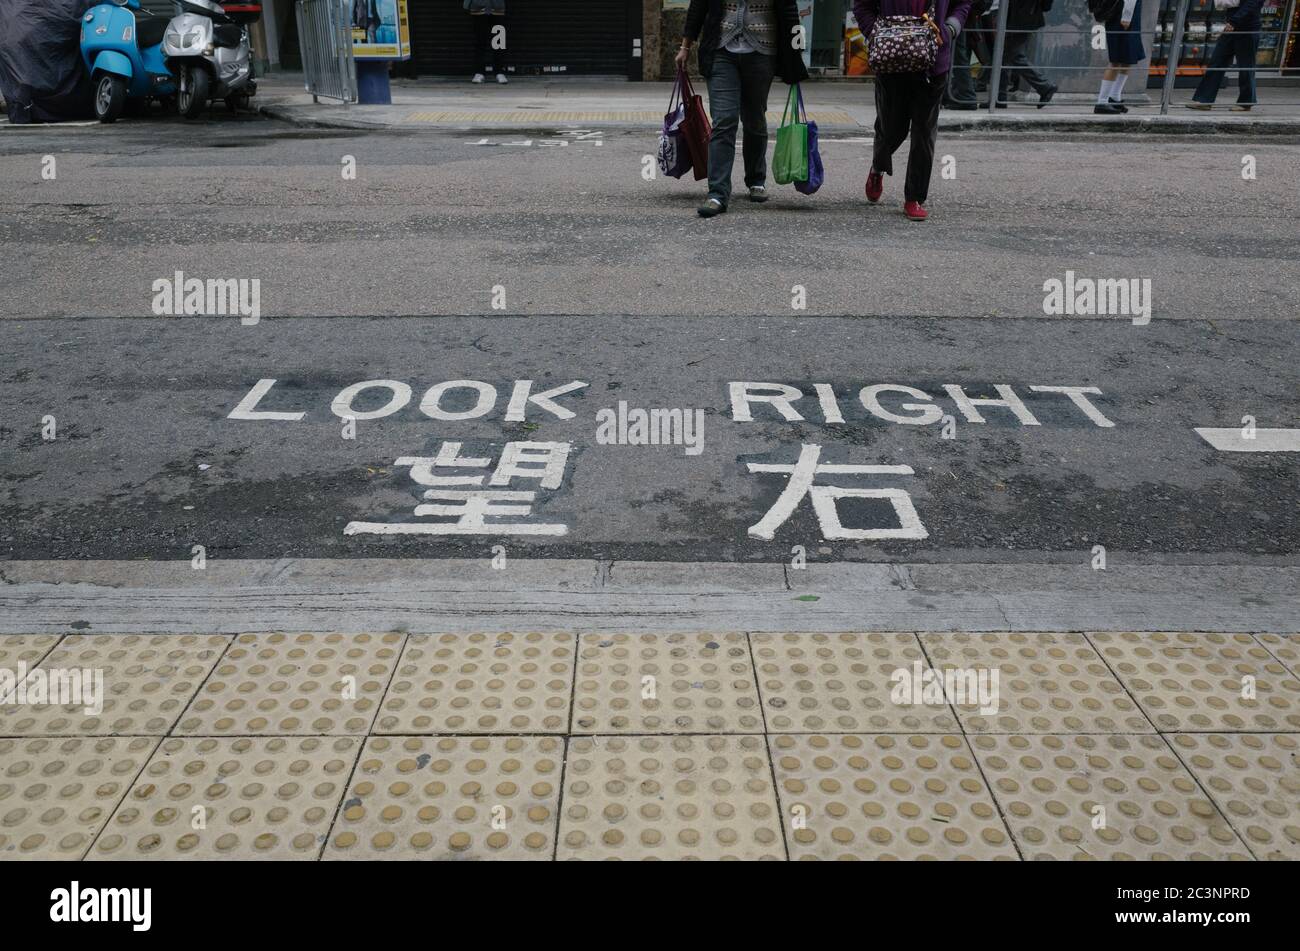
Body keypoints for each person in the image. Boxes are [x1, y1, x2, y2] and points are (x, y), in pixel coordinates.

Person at [677, 1, 810, 218]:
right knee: (724, 120)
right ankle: (717, 193)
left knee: (754, 119)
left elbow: (790, 13)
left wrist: (795, 59)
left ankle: (756, 180)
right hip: (721, 51)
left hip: (762, 52)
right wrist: (685, 47)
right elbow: (697, 8)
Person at [856, 0, 973, 221]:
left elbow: (963, 4)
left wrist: (949, 28)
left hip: (933, 62)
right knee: (891, 127)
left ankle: (914, 197)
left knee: (924, 132)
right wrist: (875, 33)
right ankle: (878, 167)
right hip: (890, 58)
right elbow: (863, 6)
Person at [1188, 0, 1264, 112]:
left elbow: (1252, 4)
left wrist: (1234, 21)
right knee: (1217, 61)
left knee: (1245, 67)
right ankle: (1204, 100)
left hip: (1247, 29)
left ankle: (1246, 102)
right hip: (1231, 27)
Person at [996, 0, 1057, 108]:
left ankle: (1045, 86)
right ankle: (999, 96)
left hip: (1023, 16)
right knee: (1004, 56)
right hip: (1018, 14)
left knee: (1014, 55)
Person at [1095, 0, 1143, 113]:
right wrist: (1126, 16)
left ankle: (1114, 97)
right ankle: (1102, 102)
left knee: (1127, 58)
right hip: (1123, 14)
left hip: (1127, 13)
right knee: (1116, 59)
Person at [945, 0, 993, 109]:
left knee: (958, 55)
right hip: (963, 14)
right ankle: (960, 95)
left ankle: (966, 96)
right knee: (960, 54)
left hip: (958, 15)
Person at [465, 0, 508, 84]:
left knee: (498, 42)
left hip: (497, 7)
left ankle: (499, 72)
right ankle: (479, 72)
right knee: (480, 41)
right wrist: (467, 3)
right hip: (478, 7)